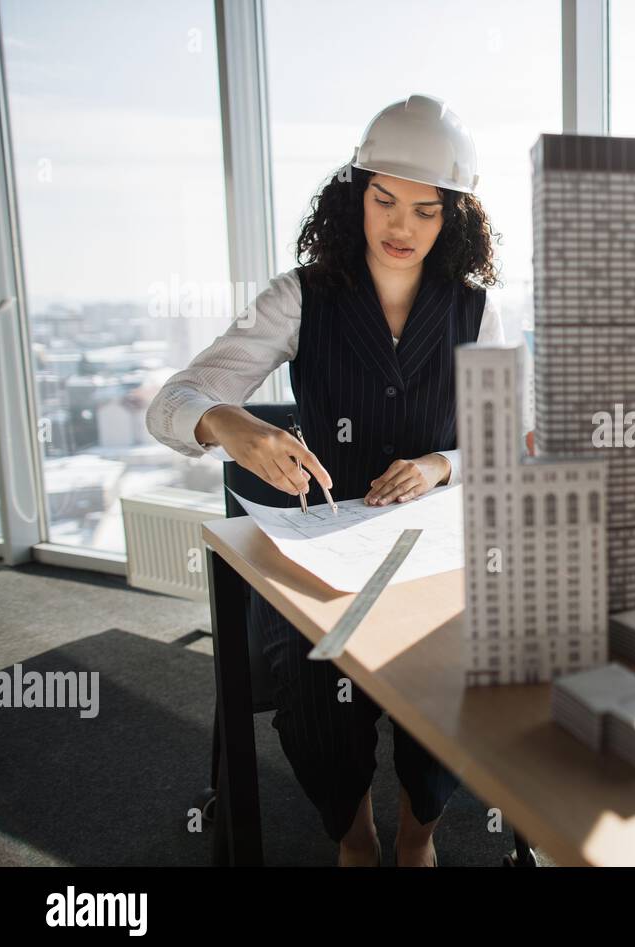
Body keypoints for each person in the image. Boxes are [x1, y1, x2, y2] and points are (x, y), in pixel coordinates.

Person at [147, 95, 508, 866]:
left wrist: (442, 464)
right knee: (314, 694)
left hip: (434, 545)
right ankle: (355, 837)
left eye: (425, 209)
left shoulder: (478, 314)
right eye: (383, 200)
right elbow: (173, 401)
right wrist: (229, 425)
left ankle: (418, 835)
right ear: (356, 195)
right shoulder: (300, 296)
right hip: (320, 549)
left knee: (450, 671)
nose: (400, 226)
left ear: (455, 218)